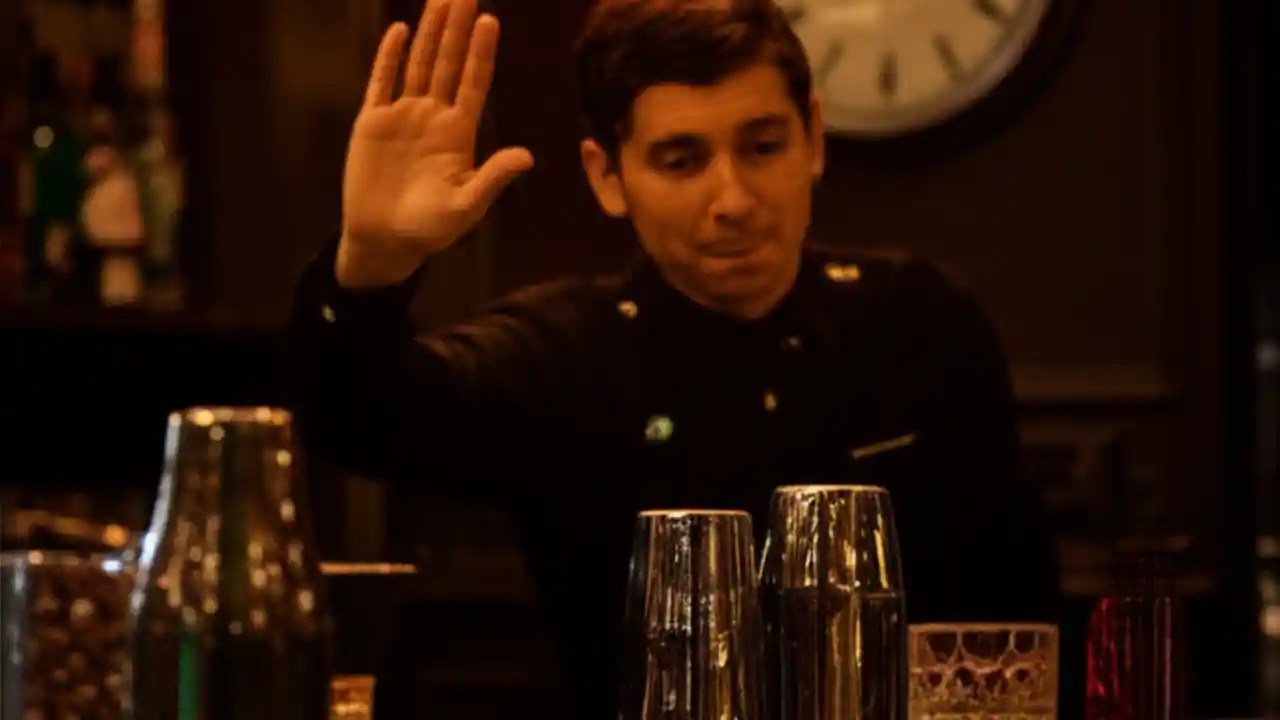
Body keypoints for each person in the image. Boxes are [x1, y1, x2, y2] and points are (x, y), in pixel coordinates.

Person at [288, 0, 1062, 716]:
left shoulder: (922, 322)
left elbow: (1018, 609)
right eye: (682, 161)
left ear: (813, 139)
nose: (731, 198)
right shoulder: (568, 353)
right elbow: (357, 416)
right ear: (608, 176)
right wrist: (370, 268)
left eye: (762, 146)